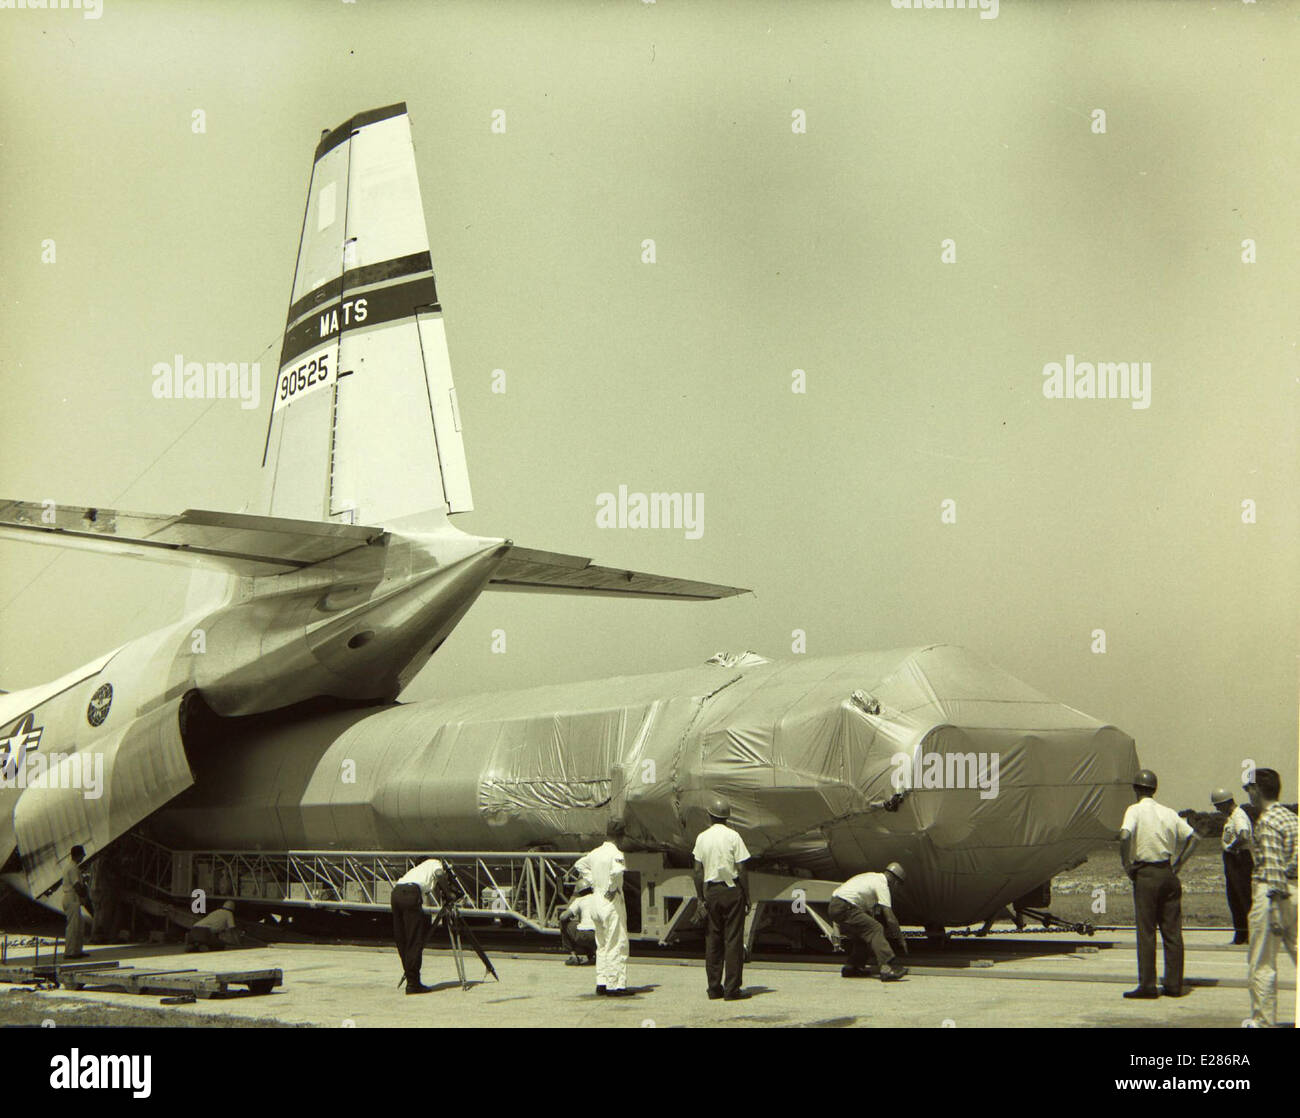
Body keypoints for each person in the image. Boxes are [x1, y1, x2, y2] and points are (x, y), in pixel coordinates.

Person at [1118, 768, 1198, 999]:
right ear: (1154, 789)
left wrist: (1126, 864)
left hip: (1146, 874)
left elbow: (1124, 836)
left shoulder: (1134, 810)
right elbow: (1194, 837)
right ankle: (1174, 985)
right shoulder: (1169, 812)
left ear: (1136, 789)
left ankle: (1148, 985)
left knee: (1146, 932)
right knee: (1172, 931)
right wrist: (1179, 864)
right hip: (1167, 873)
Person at [1243, 768, 1297, 1027]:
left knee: (1262, 964)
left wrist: (1275, 909)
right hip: (1296, 892)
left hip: (1273, 895)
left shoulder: (1267, 821)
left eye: (1248, 789)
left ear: (1256, 790)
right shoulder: (1292, 818)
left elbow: (1273, 867)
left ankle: (1263, 1022)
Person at [691, 795, 752, 1001]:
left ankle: (714, 988)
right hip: (732, 891)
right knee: (733, 940)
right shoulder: (734, 836)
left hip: (712, 892)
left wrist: (701, 897)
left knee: (713, 941)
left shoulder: (702, 838)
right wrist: (747, 895)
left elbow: (697, 871)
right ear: (727, 817)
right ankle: (732, 990)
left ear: (710, 815)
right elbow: (742, 868)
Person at [575, 820, 633, 996]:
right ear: (621, 836)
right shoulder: (616, 853)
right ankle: (615, 985)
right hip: (610, 901)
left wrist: (592, 881)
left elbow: (579, 865)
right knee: (616, 942)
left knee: (601, 943)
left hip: (595, 899)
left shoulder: (595, 852)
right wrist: (612, 888)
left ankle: (601, 982)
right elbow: (617, 872)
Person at [829, 863, 910, 981]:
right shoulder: (882, 884)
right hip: (846, 906)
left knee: (864, 935)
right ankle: (888, 967)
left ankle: (852, 967)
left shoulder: (870, 877)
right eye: (898, 885)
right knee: (876, 928)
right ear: (895, 881)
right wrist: (900, 938)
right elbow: (890, 918)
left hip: (835, 905)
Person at [391, 857, 447, 995]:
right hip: (411, 894)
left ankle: (411, 979)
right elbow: (439, 874)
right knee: (414, 939)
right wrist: (449, 893)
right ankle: (413, 984)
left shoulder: (414, 871)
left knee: (402, 940)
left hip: (396, 893)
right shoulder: (434, 862)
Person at [1211, 787, 1253, 945]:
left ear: (1227, 803)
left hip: (1239, 859)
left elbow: (1244, 835)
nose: (1217, 809)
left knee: (1243, 897)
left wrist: (1232, 847)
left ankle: (1248, 935)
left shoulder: (1239, 815)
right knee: (1234, 898)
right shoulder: (1231, 817)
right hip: (1233, 860)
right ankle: (1240, 935)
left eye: (1218, 805)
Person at [62, 846, 91, 960]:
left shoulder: (70, 866)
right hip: (72, 897)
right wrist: (84, 896)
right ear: (78, 855)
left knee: (78, 925)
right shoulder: (73, 868)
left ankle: (77, 950)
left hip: (72, 898)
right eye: (82, 855)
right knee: (73, 926)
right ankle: (70, 952)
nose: (83, 858)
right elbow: (77, 885)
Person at [558, 886, 599, 966]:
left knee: (563, 923)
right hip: (597, 936)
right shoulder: (599, 899)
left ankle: (574, 957)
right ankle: (595, 956)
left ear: (579, 893)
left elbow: (563, 917)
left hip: (582, 935)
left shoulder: (579, 900)